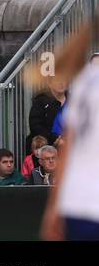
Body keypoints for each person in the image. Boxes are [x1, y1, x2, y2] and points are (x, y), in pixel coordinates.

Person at [42, 26, 99, 240]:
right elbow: (66, 153)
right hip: (84, 203)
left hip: (81, 205)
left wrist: (53, 209)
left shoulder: (85, 84)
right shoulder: (85, 85)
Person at [28, 76, 67, 151]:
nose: (61, 83)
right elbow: (35, 125)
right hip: (47, 146)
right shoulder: (41, 101)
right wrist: (55, 139)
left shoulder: (74, 99)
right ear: (50, 83)